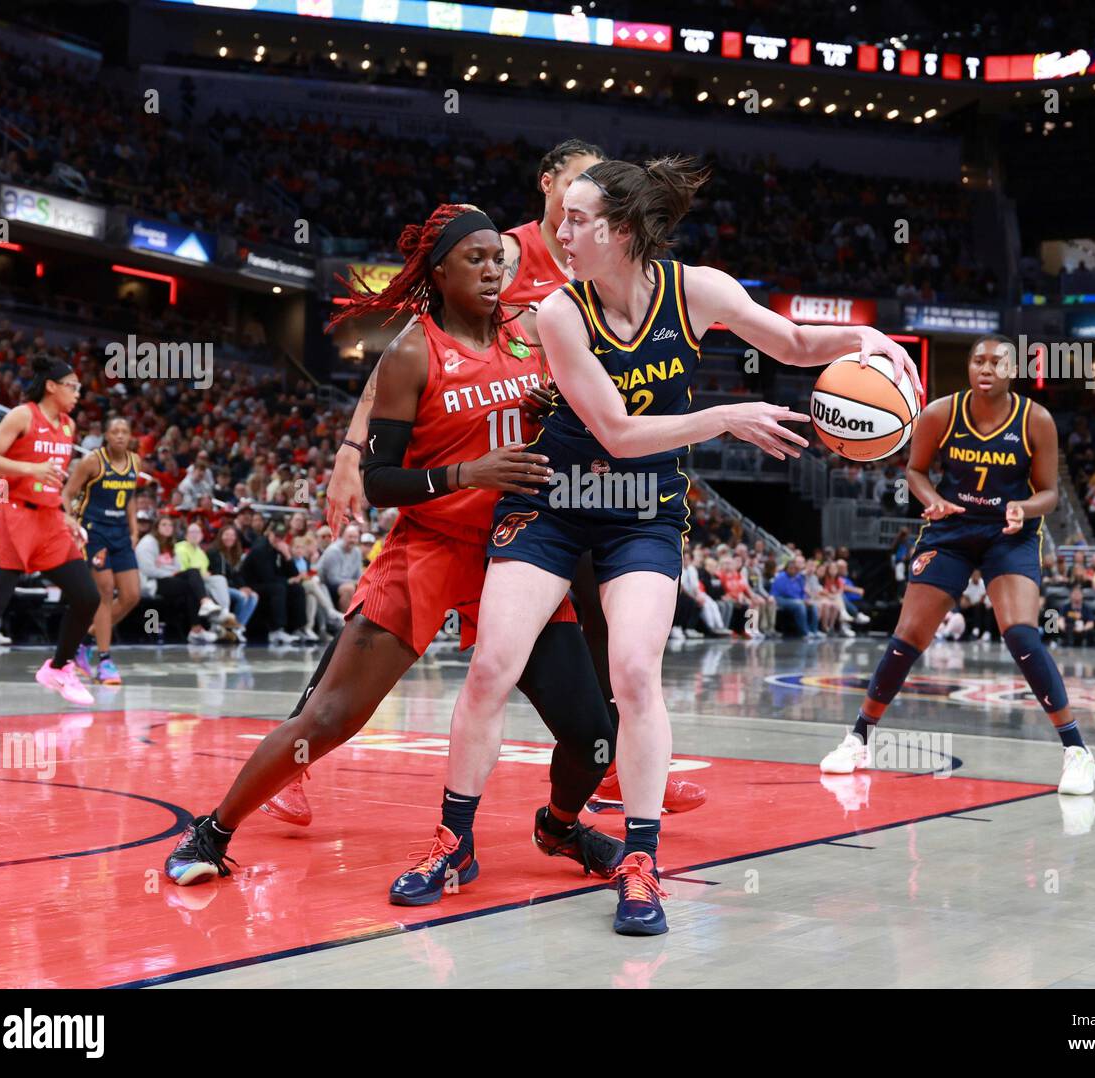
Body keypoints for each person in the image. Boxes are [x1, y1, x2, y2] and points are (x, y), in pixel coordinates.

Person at [391, 157, 919, 935]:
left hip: (642, 510)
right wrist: (722, 416)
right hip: (556, 498)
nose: (559, 233)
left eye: (577, 220)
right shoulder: (562, 314)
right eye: (561, 218)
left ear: (624, 230)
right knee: (492, 666)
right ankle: (452, 839)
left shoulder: (695, 289)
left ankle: (641, 861)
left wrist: (867, 337)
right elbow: (617, 432)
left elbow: (799, 342)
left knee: (635, 673)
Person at [165, 202, 626, 887]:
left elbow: (574, 417)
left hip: (520, 551)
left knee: (592, 739)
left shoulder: (531, 332)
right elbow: (381, 481)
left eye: (499, 258)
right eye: (476, 260)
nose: (494, 270)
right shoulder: (413, 350)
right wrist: (468, 473)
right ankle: (213, 830)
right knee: (330, 716)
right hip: (431, 547)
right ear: (439, 272)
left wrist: (550, 419)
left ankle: (558, 828)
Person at [819, 334, 1095, 796]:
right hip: (951, 530)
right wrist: (932, 502)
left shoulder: (1037, 420)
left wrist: (1023, 510)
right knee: (908, 636)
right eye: (979, 360)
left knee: (1022, 634)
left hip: (1010, 533)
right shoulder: (940, 413)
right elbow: (915, 470)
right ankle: (857, 738)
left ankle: (1077, 752)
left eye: (997, 361)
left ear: (1013, 370)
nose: (986, 367)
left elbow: (1048, 491)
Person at [0, 356, 100, 712]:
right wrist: (30, 467)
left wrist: (68, 518)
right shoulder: (23, 414)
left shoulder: (67, 427)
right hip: (13, 518)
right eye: (72, 386)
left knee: (87, 596)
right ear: (51, 385)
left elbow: (51, 484)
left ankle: (59, 668)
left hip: (49, 522)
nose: (78, 393)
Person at [63, 417, 141, 684]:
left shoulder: (135, 462)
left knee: (132, 595)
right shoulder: (92, 461)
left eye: (124, 431)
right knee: (105, 591)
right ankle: (105, 662)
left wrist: (134, 529)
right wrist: (70, 519)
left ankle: (85, 639)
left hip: (120, 533)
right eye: (115, 431)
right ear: (106, 435)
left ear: (130, 436)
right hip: (95, 531)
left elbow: (130, 497)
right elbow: (67, 493)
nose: (120, 435)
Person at [136, 515, 221, 645]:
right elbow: (148, 570)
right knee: (190, 586)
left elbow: (178, 566)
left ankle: (204, 606)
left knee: (193, 572)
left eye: (170, 525)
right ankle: (196, 628)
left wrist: (168, 570)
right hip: (150, 583)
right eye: (163, 524)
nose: (167, 527)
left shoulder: (171, 544)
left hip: (166, 578)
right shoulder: (148, 542)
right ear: (156, 527)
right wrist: (170, 571)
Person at [207, 524, 255, 642]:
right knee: (241, 596)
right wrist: (239, 589)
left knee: (253, 596)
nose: (230, 537)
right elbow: (220, 576)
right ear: (220, 536)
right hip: (216, 588)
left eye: (232, 535)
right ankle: (230, 626)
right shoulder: (215, 552)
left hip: (229, 586)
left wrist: (243, 586)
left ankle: (237, 628)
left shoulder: (234, 553)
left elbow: (236, 575)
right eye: (227, 534)